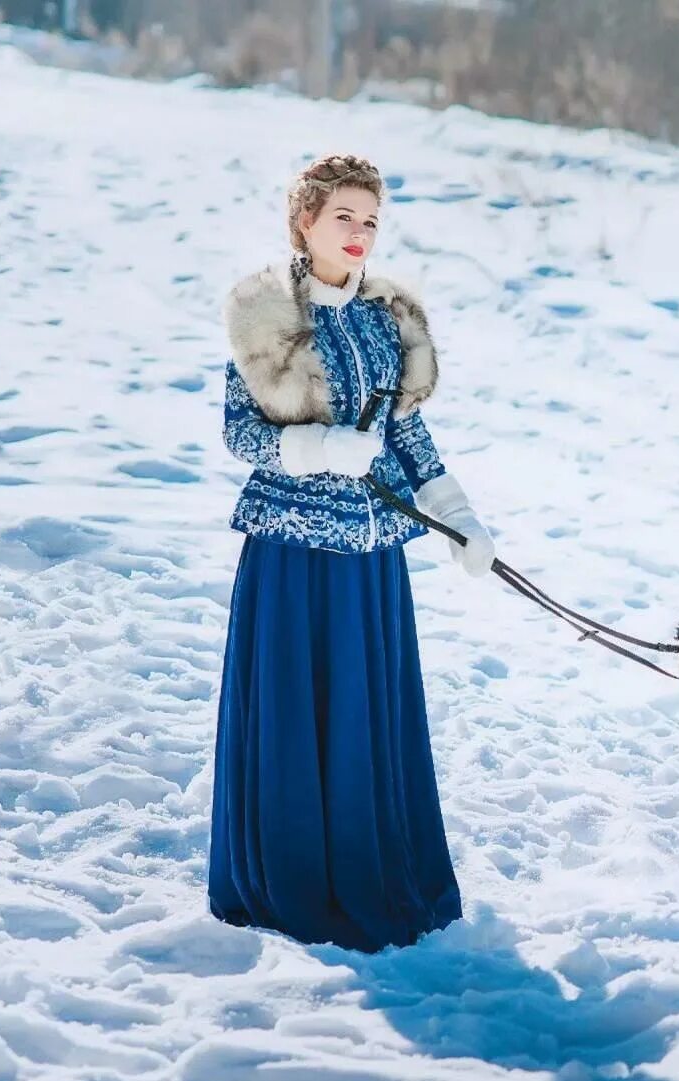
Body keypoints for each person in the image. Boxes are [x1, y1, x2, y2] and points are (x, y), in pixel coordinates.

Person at [209, 153, 495, 951]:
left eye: (371, 219)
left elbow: (406, 429)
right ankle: (294, 874)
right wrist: (318, 448)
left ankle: (371, 866)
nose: (361, 232)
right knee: (298, 714)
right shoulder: (266, 315)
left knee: (365, 714)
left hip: (372, 559)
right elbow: (240, 433)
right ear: (305, 221)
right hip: (293, 555)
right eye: (345, 217)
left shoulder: (382, 318)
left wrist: (457, 514)